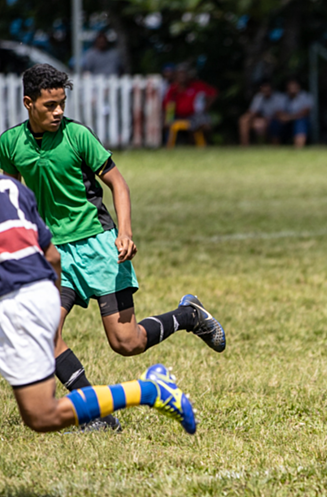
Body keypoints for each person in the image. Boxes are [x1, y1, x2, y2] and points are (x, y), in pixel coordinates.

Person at [0, 64, 226, 431]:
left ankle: (189, 316)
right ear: (28, 103)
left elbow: (117, 184)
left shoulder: (78, 136)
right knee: (46, 335)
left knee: (127, 342)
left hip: (98, 243)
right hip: (55, 254)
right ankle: (96, 414)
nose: (58, 112)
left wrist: (125, 232)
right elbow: (12, 197)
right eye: (50, 105)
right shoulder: (10, 144)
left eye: (62, 103)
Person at [0, 176, 196, 434]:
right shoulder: (11, 188)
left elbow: (117, 181)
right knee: (41, 415)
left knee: (44, 413)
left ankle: (152, 388)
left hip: (18, 298)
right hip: (34, 290)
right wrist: (50, 299)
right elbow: (51, 256)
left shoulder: (76, 138)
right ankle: (138, 396)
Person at [162, 64, 217, 139]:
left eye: (184, 73)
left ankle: (205, 144)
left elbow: (213, 94)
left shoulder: (197, 85)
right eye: (180, 74)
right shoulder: (173, 89)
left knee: (205, 125)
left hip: (195, 115)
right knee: (165, 124)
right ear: (176, 76)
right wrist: (168, 119)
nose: (182, 76)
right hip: (178, 116)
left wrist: (206, 107)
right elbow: (169, 105)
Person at [239, 80, 287, 146]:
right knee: (244, 120)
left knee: (268, 124)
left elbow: (279, 114)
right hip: (262, 119)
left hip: (274, 119)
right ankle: (244, 146)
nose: (265, 90)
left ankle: (268, 145)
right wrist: (247, 117)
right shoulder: (259, 97)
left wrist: (266, 120)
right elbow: (253, 112)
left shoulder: (278, 97)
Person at [276, 79, 312, 149]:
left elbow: (305, 112)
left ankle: (298, 148)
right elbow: (278, 112)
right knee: (275, 123)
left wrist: (289, 118)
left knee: (301, 122)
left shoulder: (305, 96)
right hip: (285, 122)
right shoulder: (282, 97)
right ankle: (275, 148)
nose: (292, 90)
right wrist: (283, 117)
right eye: (290, 88)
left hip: (299, 120)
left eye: (294, 87)